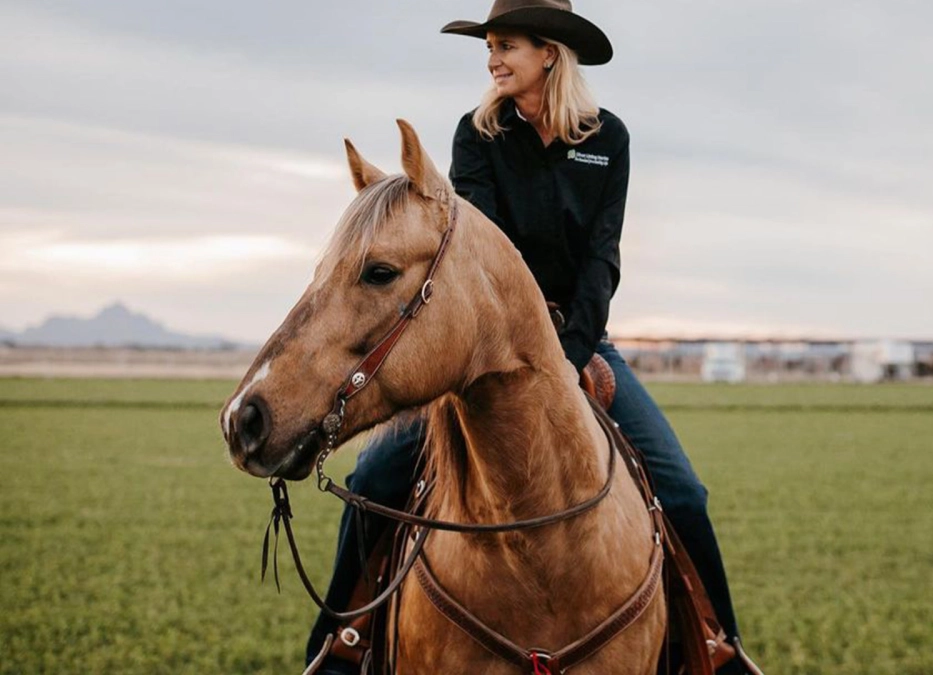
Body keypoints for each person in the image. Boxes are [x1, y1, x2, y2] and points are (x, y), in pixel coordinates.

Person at [308, 2, 753, 673]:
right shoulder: (477, 136)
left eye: (506, 45)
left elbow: (603, 259)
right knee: (375, 475)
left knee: (683, 493)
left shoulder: (610, 140)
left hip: (582, 341)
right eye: (489, 46)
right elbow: (484, 257)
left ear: (549, 52)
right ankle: (339, 646)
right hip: (486, 345)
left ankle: (719, 649)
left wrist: (572, 356)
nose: (492, 59)